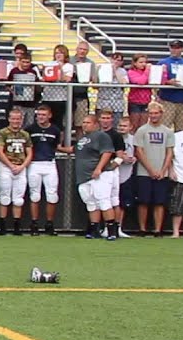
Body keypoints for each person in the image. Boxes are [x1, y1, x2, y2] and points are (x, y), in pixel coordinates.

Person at [27, 103, 71, 236]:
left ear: (49, 116)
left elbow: (57, 146)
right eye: (39, 115)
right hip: (34, 163)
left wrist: (68, 150)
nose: (40, 117)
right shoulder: (30, 129)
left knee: (52, 195)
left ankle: (49, 224)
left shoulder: (55, 130)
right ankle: (34, 224)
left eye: (43, 115)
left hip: (49, 163)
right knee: (35, 195)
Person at [134, 101, 175, 236]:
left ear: (161, 114)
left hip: (161, 172)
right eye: (151, 113)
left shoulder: (167, 131)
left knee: (160, 202)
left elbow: (169, 152)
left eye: (156, 113)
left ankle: (158, 230)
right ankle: (142, 229)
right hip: (144, 172)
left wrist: (163, 170)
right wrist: (150, 170)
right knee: (143, 201)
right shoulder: (142, 130)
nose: (153, 116)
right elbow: (139, 151)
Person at [74, 112, 117, 240]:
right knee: (91, 203)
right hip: (84, 176)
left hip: (99, 174)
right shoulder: (82, 138)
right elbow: (75, 150)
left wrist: (98, 168)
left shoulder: (101, 136)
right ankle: (94, 230)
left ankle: (111, 231)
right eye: (84, 122)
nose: (85, 125)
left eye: (88, 123)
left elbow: (107, 152)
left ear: (96, 125)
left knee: (103, 201)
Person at [0, 107, 33, 235]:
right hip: (6, 166)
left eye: (18, 119)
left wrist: (22, 167)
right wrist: (10, 165)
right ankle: (3, 226)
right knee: (4, 196)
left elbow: (29, 153)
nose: (16, 121)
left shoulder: (25, 134)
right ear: (9, 119)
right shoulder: (3, 133)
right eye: (13, 119)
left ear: (21, 120)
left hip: (20, 167)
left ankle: (17, 226)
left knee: (18, 199)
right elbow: (0, 151)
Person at [99, 110, 131, 239]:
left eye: (108, 118)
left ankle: (115, 228)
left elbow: (120, 155)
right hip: (97, 169)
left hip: (110, 171)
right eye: (103, 118)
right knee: (99, 200)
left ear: (112, 120)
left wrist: (111, 167)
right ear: (99, 119)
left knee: (113, 200)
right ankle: (101, 227)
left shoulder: (116, 136)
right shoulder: (95, 134)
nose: (105, 120)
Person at [157, 39, 183, 130]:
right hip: (167, 99)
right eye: (173, 47)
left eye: (177, 48)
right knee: (164, 126)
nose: (175, 50)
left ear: (182, 49)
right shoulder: (163, 62)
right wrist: (168, 82)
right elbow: (157, 79)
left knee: (181, 128)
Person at [7, 51, 40, 128]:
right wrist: (13, 91)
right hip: (18, 102)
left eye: (27, 62)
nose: (25, 64)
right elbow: (8, 85)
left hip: (30, 103)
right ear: (20, 61)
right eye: (23, 62)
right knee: (17, 122)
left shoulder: (33, 72)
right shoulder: (14, 71)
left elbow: (38, 87)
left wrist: (34, 79)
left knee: (29, 123)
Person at [126, 54, 155, 133]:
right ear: (135, 63)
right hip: (135, 102)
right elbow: (141, 81)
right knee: (134, 125)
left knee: (143, 126)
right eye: (141, 62)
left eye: (145, 62)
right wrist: (147, 71)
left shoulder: (149, 72)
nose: (144, 64)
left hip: (146, 101)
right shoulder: (131, 72)